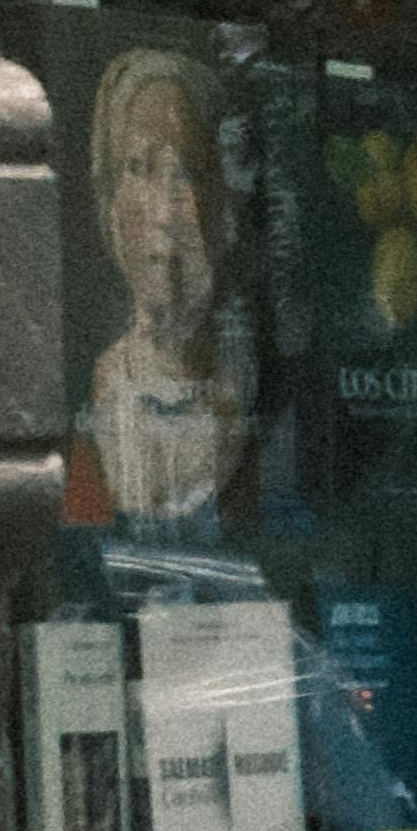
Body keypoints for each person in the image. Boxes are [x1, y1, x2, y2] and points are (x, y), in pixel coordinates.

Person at [66, 42, 256, 530]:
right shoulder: (94, 392)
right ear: (110, 205)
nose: (165, 210)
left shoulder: (242, 390)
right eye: (138, 168)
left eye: (187, 171)